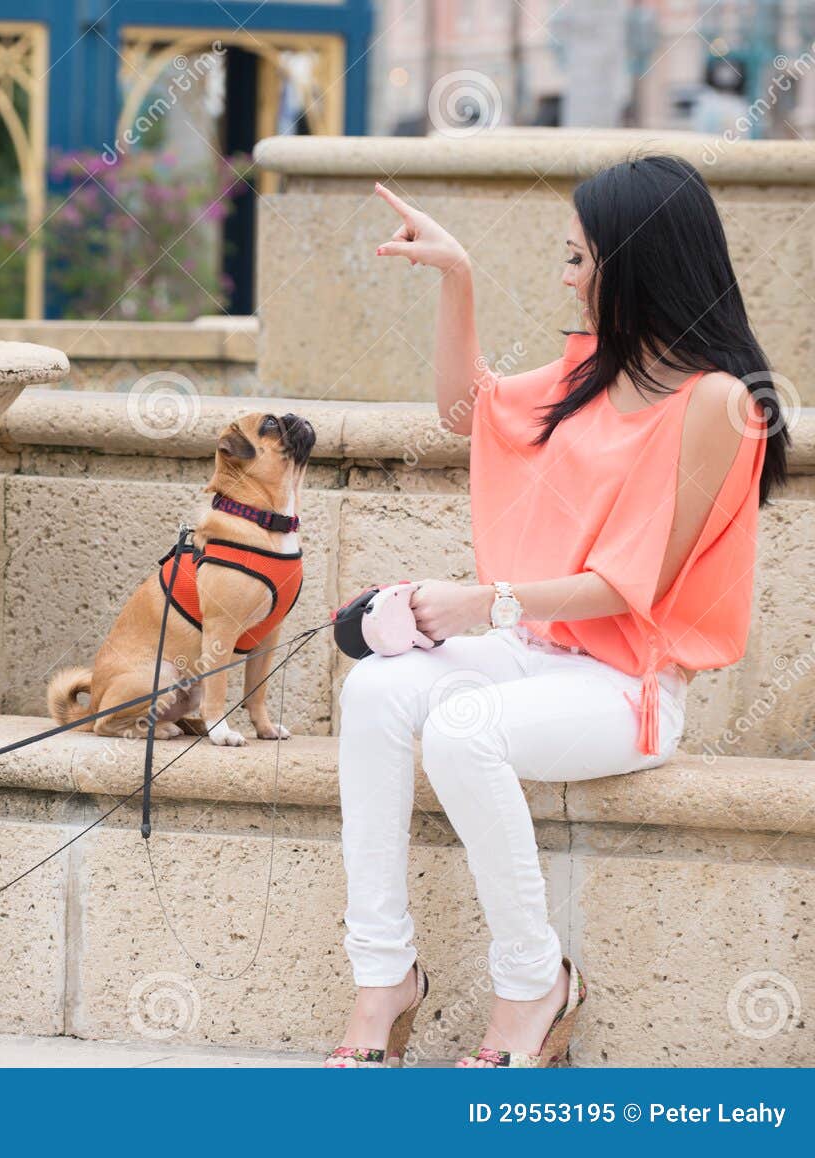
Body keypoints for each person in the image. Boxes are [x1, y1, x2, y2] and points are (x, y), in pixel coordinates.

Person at [325, 155, 785, 1068]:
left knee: (461, 733)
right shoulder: (587, 374)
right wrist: (457, 277)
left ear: (637, 262)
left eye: (580, 259)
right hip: (539, 657)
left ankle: (534, 984)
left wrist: (482, 602)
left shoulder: (720, 404)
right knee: (375, 690)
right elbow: (464, 410)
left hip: (629, 686)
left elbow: (630, 584)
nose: (568, 279)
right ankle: (383, 977)